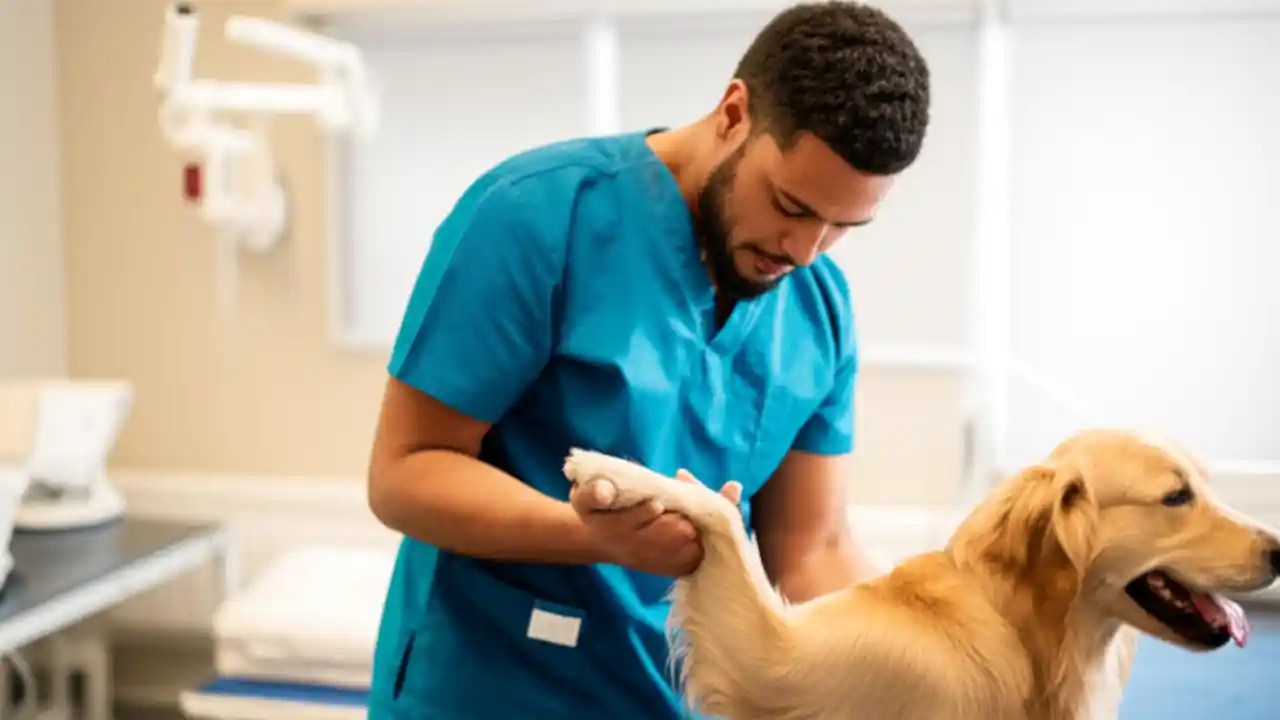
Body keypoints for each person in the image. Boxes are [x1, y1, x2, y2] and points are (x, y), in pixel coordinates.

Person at [364, 2, 930, 717]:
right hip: (493, 690)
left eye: (843, 227)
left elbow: (809, 552)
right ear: (733, 112)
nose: (803, 249)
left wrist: (932, 658)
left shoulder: (819, 306)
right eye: (789, 204)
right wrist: (585, 535)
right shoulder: (537, 217)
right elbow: (404, 472)